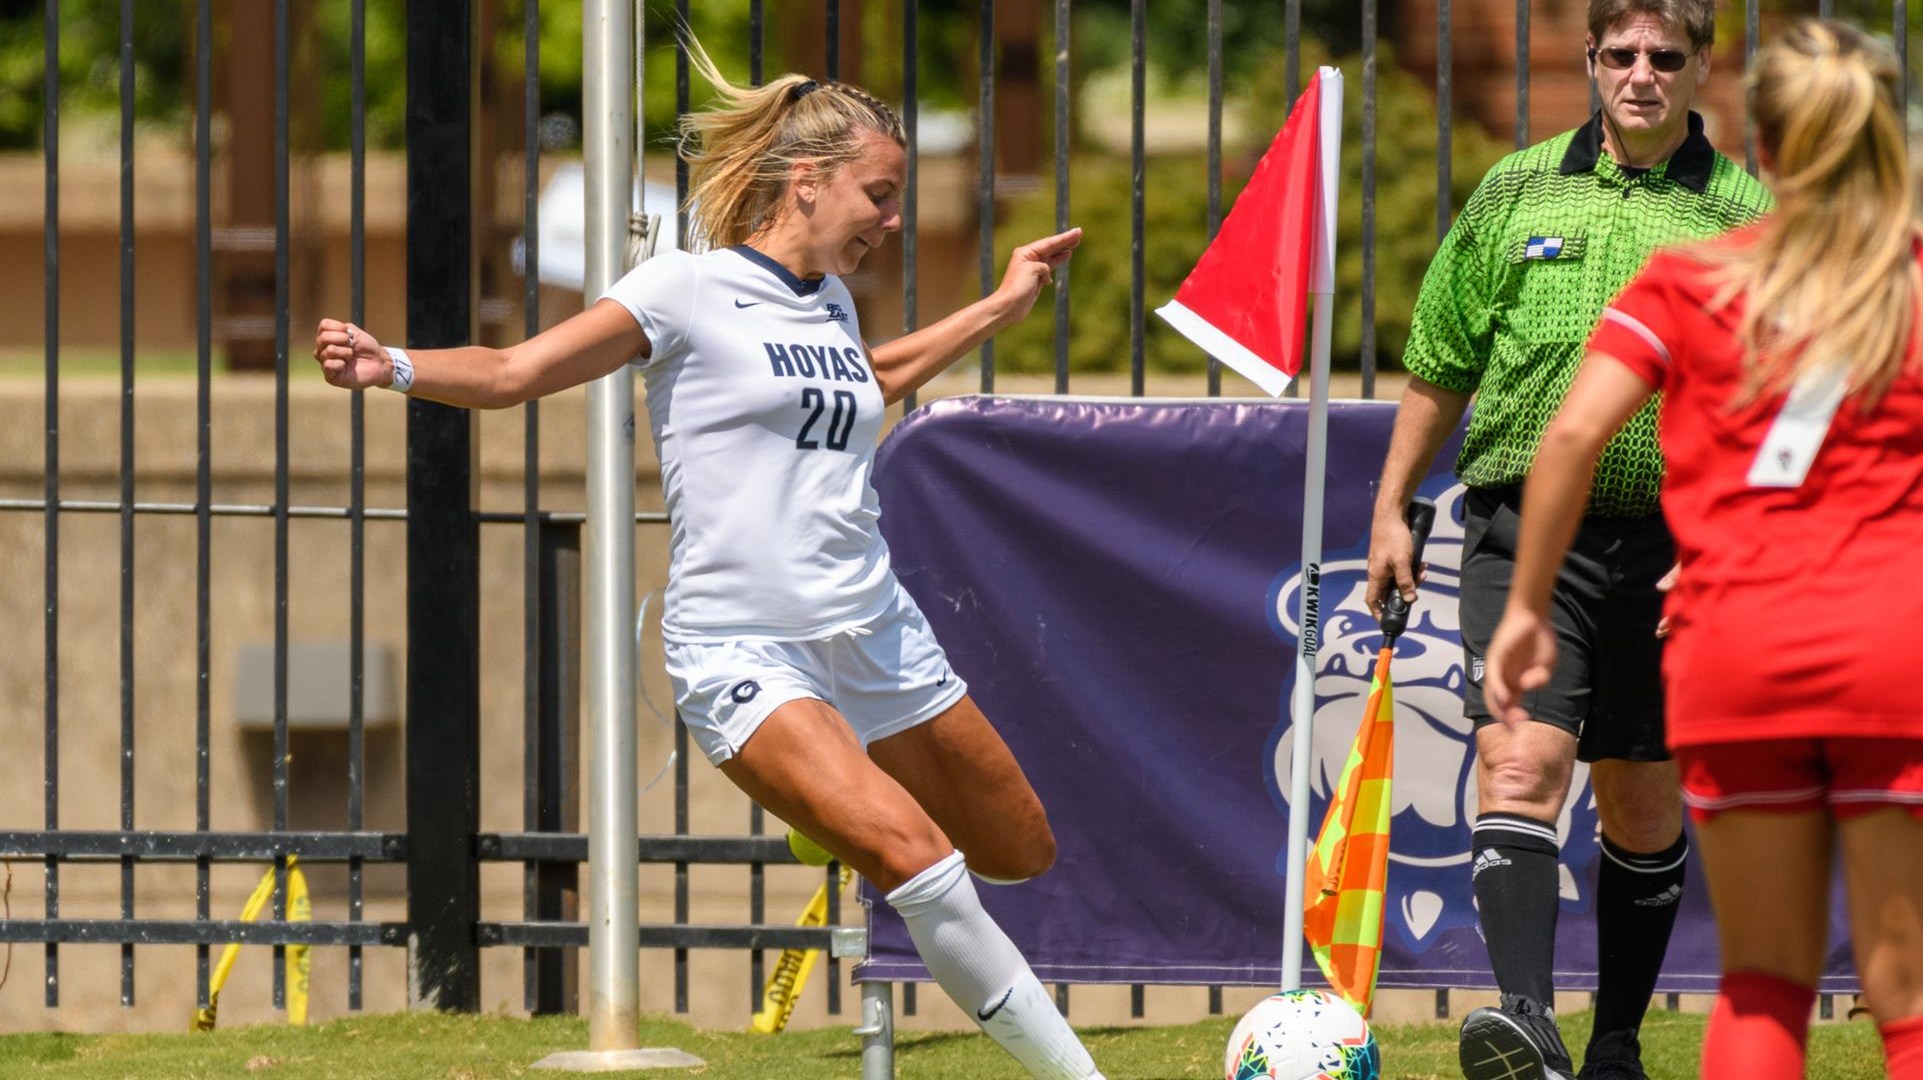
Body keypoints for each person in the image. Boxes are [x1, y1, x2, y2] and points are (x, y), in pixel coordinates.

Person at [314, 46, 1099, 1080]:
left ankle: (836, 814)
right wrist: (396, 366)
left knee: (1018, 849)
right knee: (924, 859)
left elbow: (869, 379)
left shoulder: (830, 303)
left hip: (873, 628)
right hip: (745, 648)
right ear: (806, 181)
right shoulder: (684, 288)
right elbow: (514, 372)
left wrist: (998, 308)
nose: (891, 220)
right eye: (880, 194)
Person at [1482, 19, 1923, 1080]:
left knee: (1763, 982)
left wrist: (1528, 604)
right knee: (1908, 997)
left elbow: (1574, 436)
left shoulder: (1693, 281)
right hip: (1891, 647)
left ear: (1760, 144)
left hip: (1734, 644)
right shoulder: (1909, 277)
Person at [1363, 2, 1773, 1077]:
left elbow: (1773, 403)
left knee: (1641, 795)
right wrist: (1389, 504)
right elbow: (1442, 359)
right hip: (1518, 533)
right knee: (1518, 756)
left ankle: (1619, 1046)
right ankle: (1529, 1026)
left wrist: (1728, 534)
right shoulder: (1513, 189)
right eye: (1620, 54)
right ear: (1590, 63)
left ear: (1700, 72)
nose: (1641, 74)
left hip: (1677, 546)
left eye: (1664, 57)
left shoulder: (1745, 214)